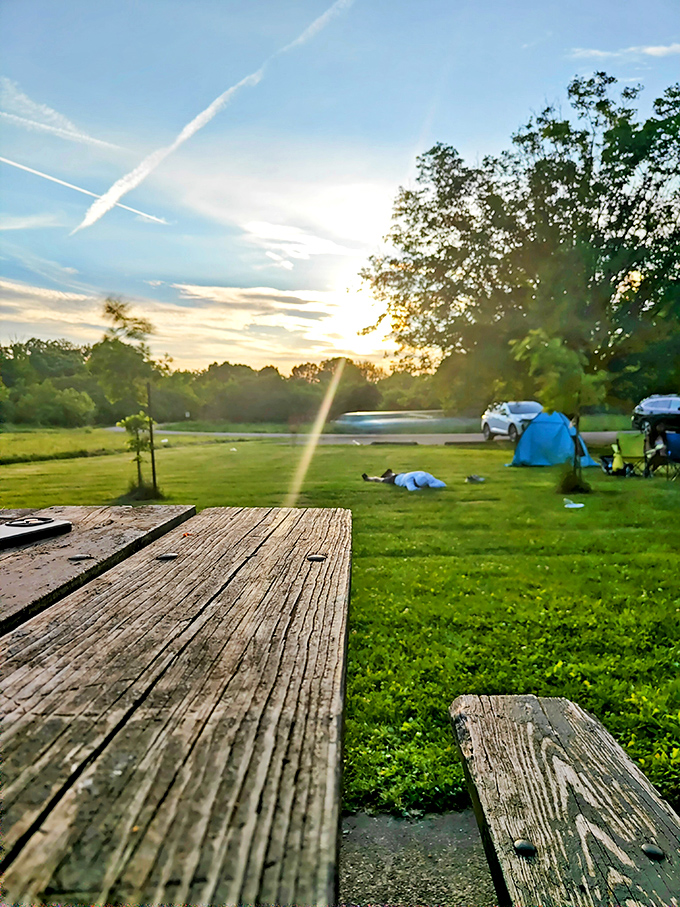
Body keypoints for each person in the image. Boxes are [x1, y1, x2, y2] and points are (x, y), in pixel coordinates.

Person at [362, 468, 446, 491]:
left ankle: (390, 473)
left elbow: (442, 484)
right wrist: (423, 488)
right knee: (381, 480)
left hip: (402, 475)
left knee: (395, 475)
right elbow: (412, 489)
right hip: (395, 480)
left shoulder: (426, 476)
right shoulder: (409, 479)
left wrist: (430, 485)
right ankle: (369, 478)